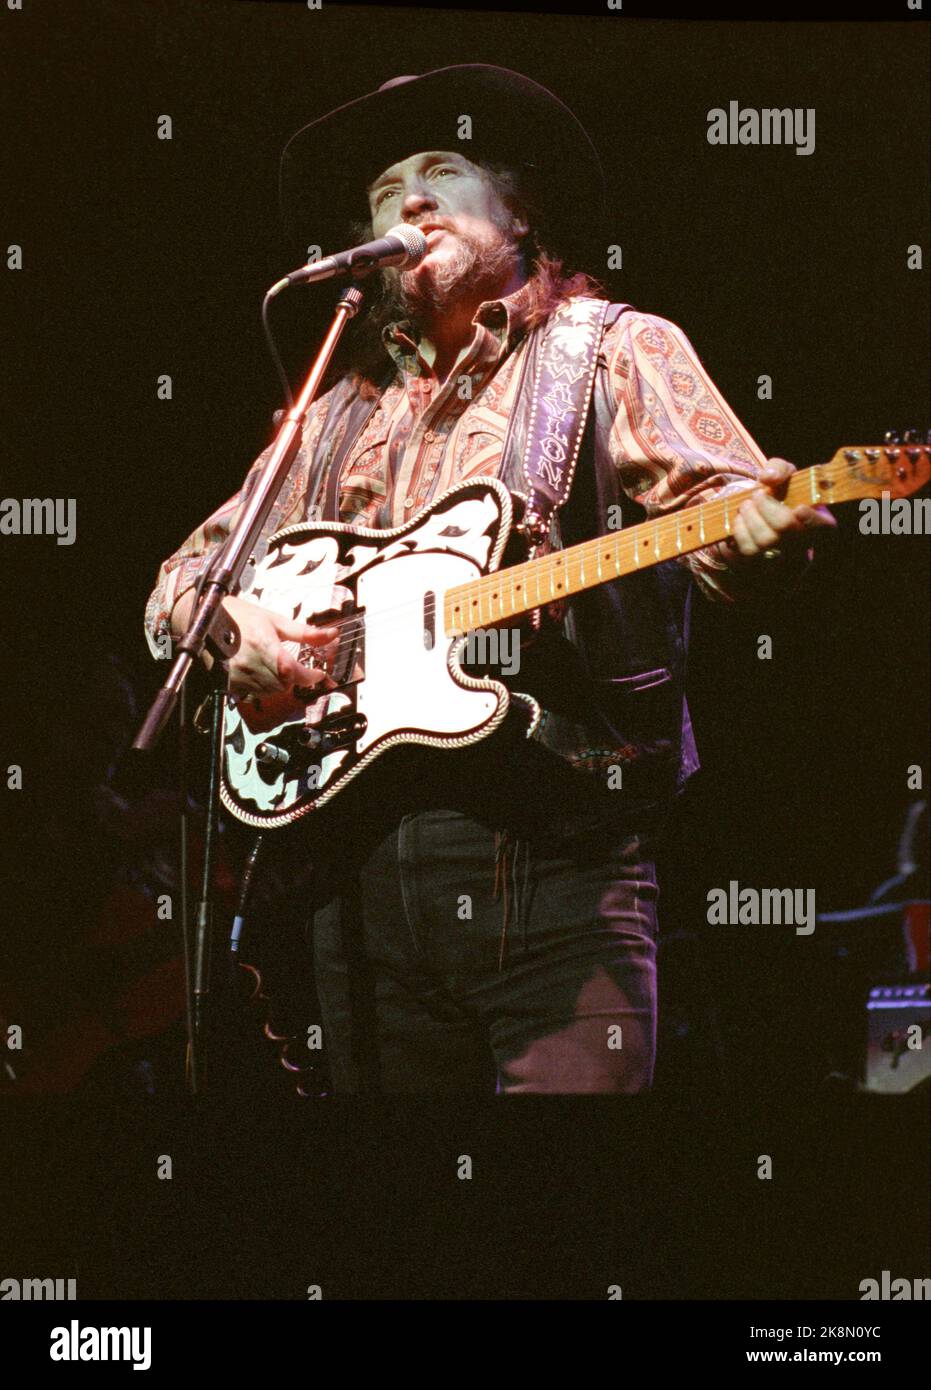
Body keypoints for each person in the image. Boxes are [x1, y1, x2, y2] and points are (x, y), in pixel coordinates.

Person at [144, 65, 835, 1094]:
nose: (409, 200)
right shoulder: (335, 407)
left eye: (443, 171)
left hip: (561, 863)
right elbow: (182, 577)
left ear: (521, 211)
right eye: (385, 193)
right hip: (352, 881)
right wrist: (225, 625)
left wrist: (764, 534)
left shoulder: (610, 348)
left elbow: (723, 515)